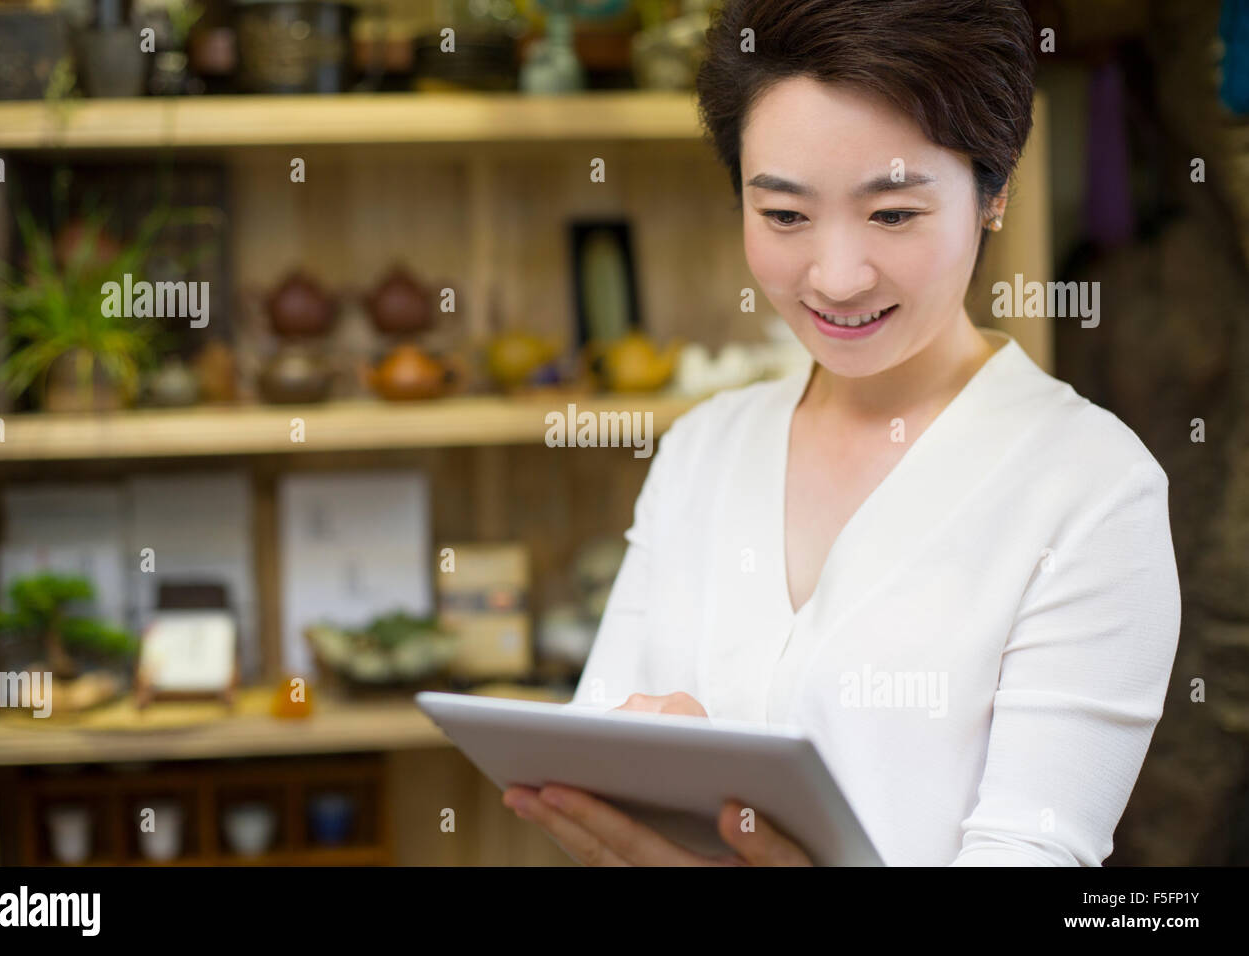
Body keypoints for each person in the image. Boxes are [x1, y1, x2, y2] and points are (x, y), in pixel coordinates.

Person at [504, 0, 1180, 866]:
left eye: (893, 214)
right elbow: (599, 763)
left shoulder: (1090, 490)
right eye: (784, 216)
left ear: (994, 190)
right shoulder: (703, 449)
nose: (835, 277)